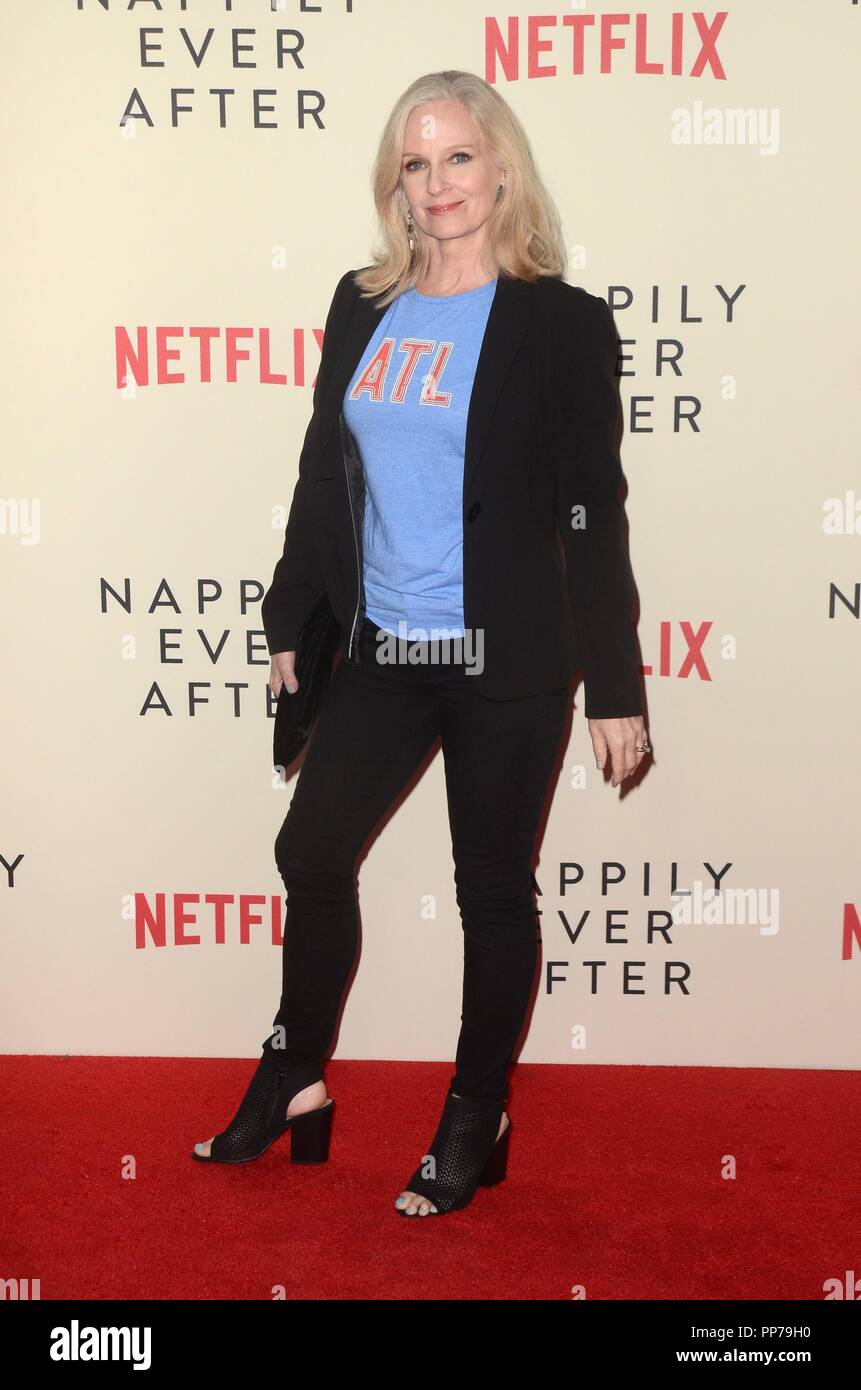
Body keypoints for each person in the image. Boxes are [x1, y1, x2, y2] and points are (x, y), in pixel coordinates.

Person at [193, 69, 651, 1216]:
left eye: (458, 157)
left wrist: (617, 685)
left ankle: (474, 1109)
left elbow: (593, 510)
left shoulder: (558, 321)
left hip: (507, 658)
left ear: (502, 167)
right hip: (388, 647)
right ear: (393, 181)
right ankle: (296, 1071)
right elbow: (319, 472)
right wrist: (294, 617)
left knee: (492, 888)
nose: (437, 183)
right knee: (310, 853)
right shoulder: (365, 302)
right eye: (415, 161)